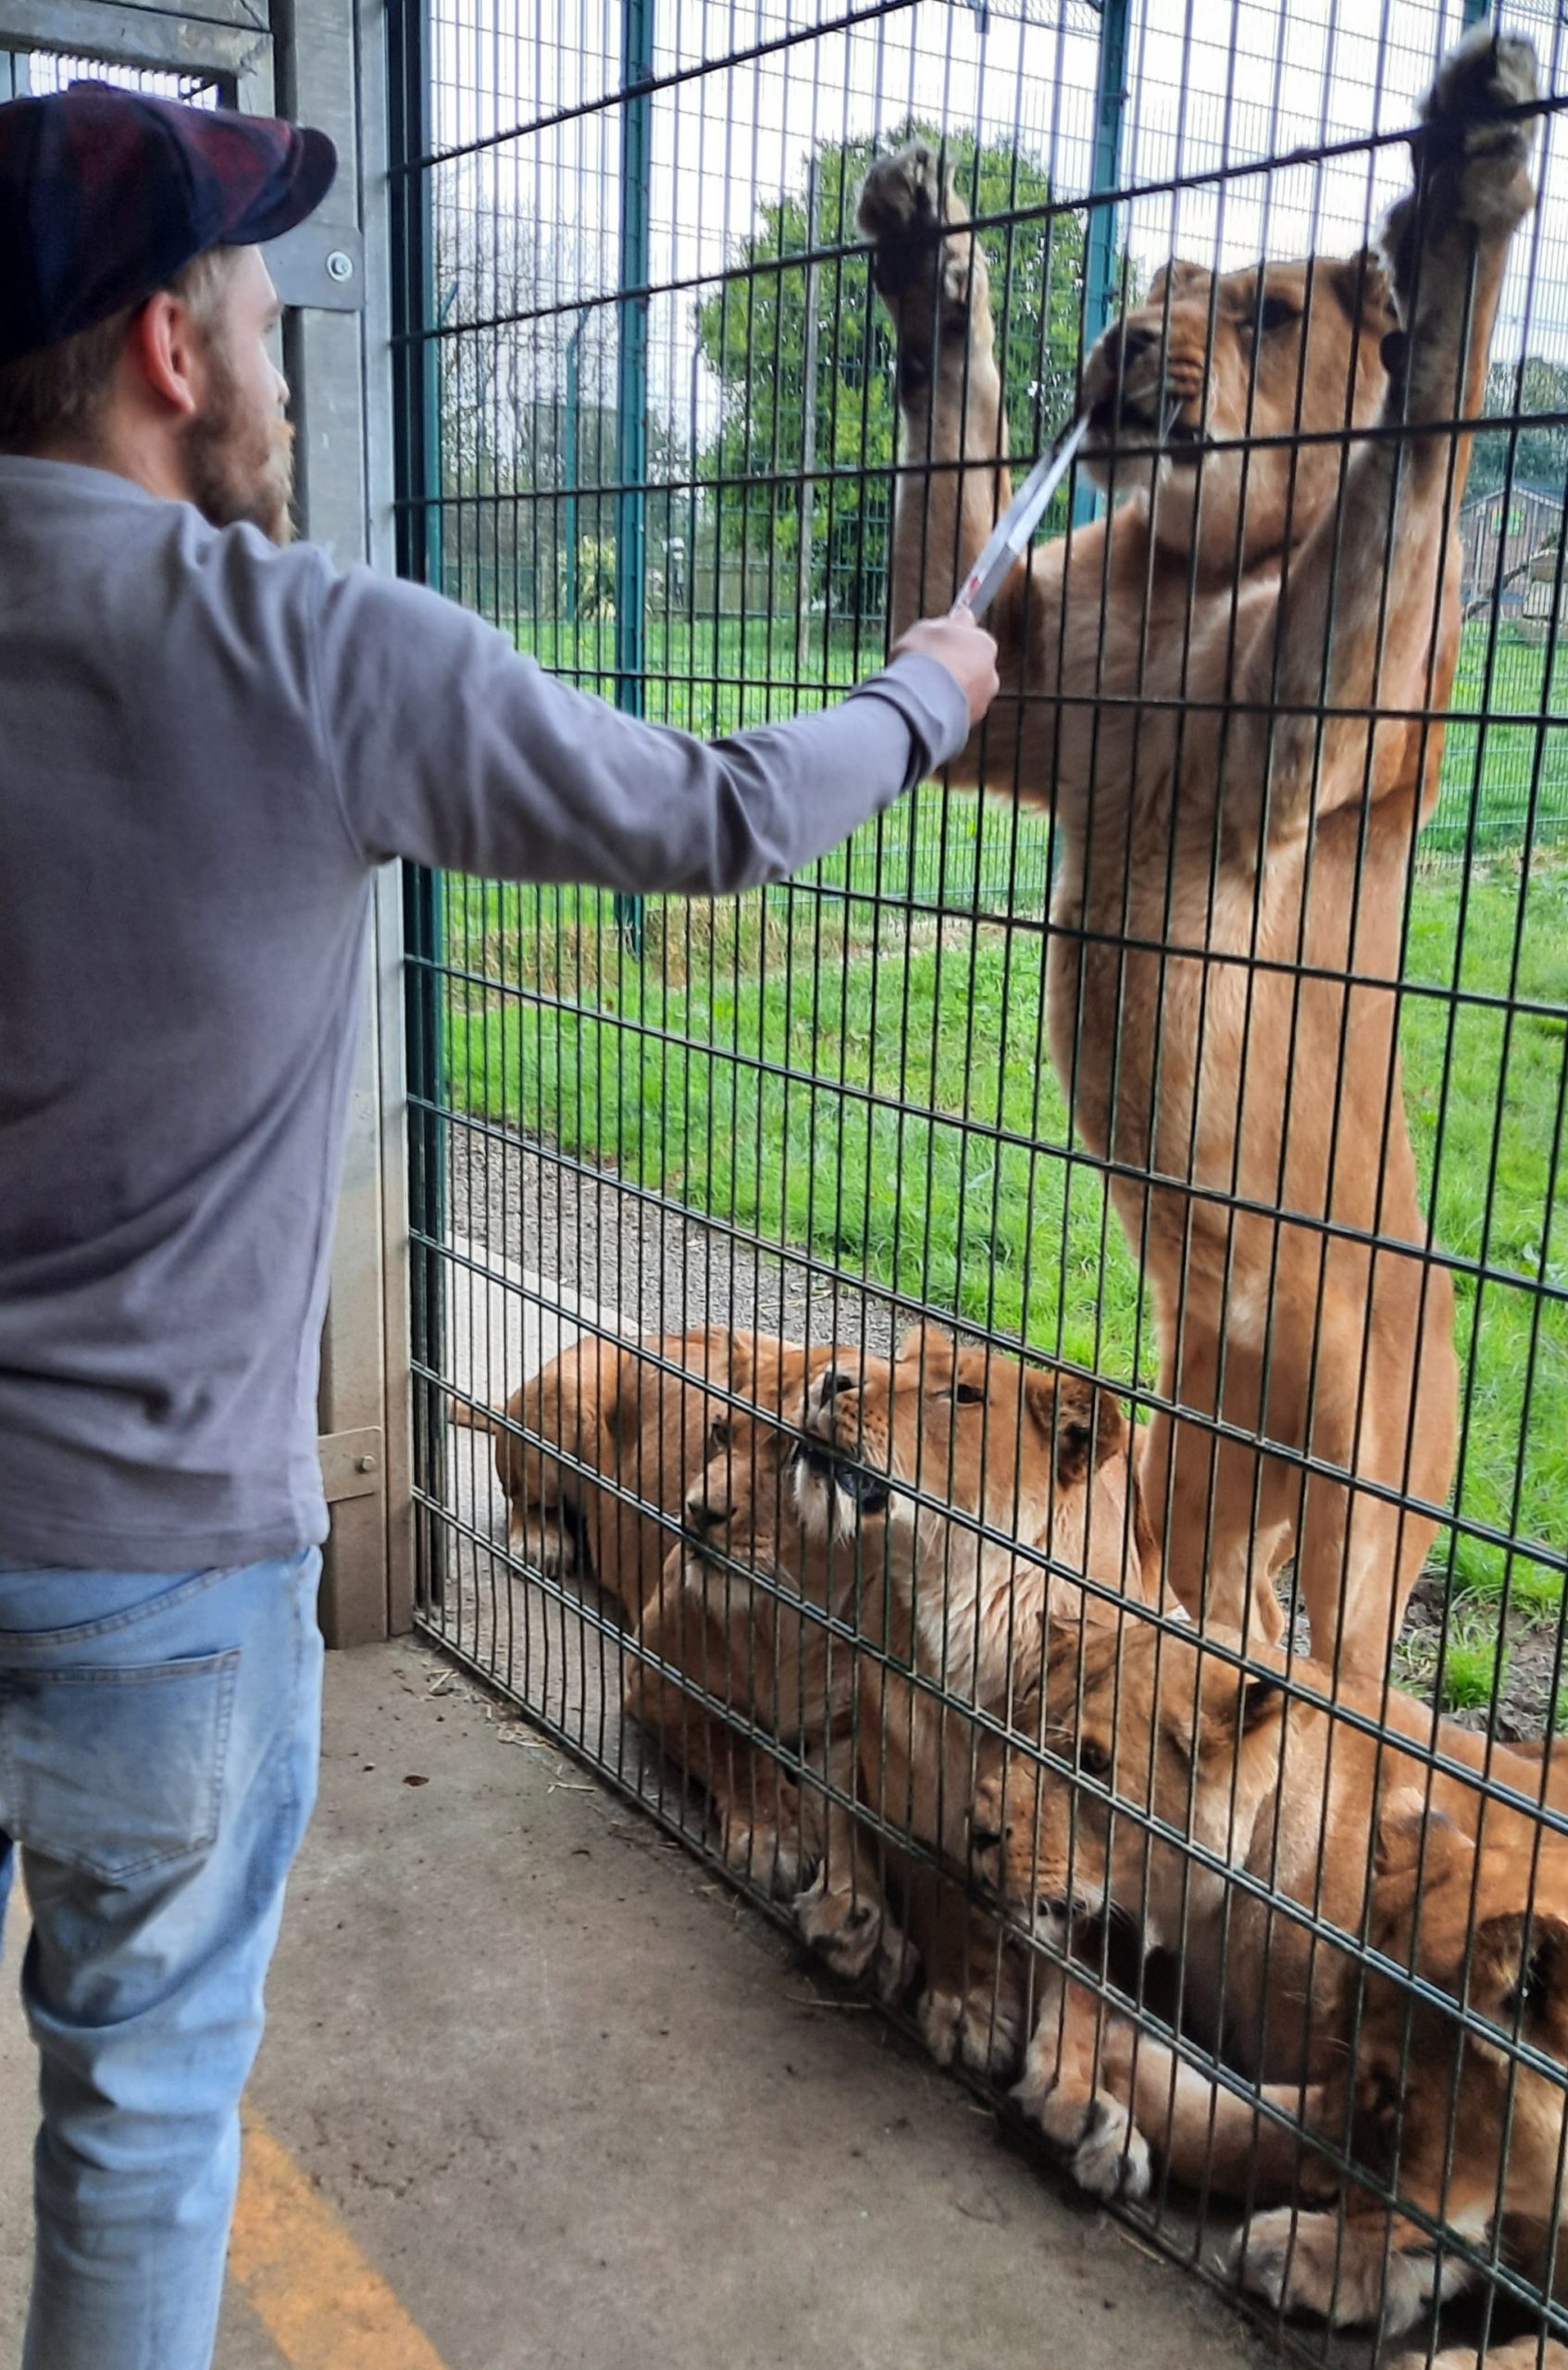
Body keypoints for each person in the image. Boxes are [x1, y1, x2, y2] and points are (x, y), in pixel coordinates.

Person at [0, 79, 998, 2370]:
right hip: (161, 1579)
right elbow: (721, 818)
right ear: (170, 347)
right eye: (258, 302)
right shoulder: (308, 645)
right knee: (139, 2127)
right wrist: (932, 692)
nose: (271, 347)